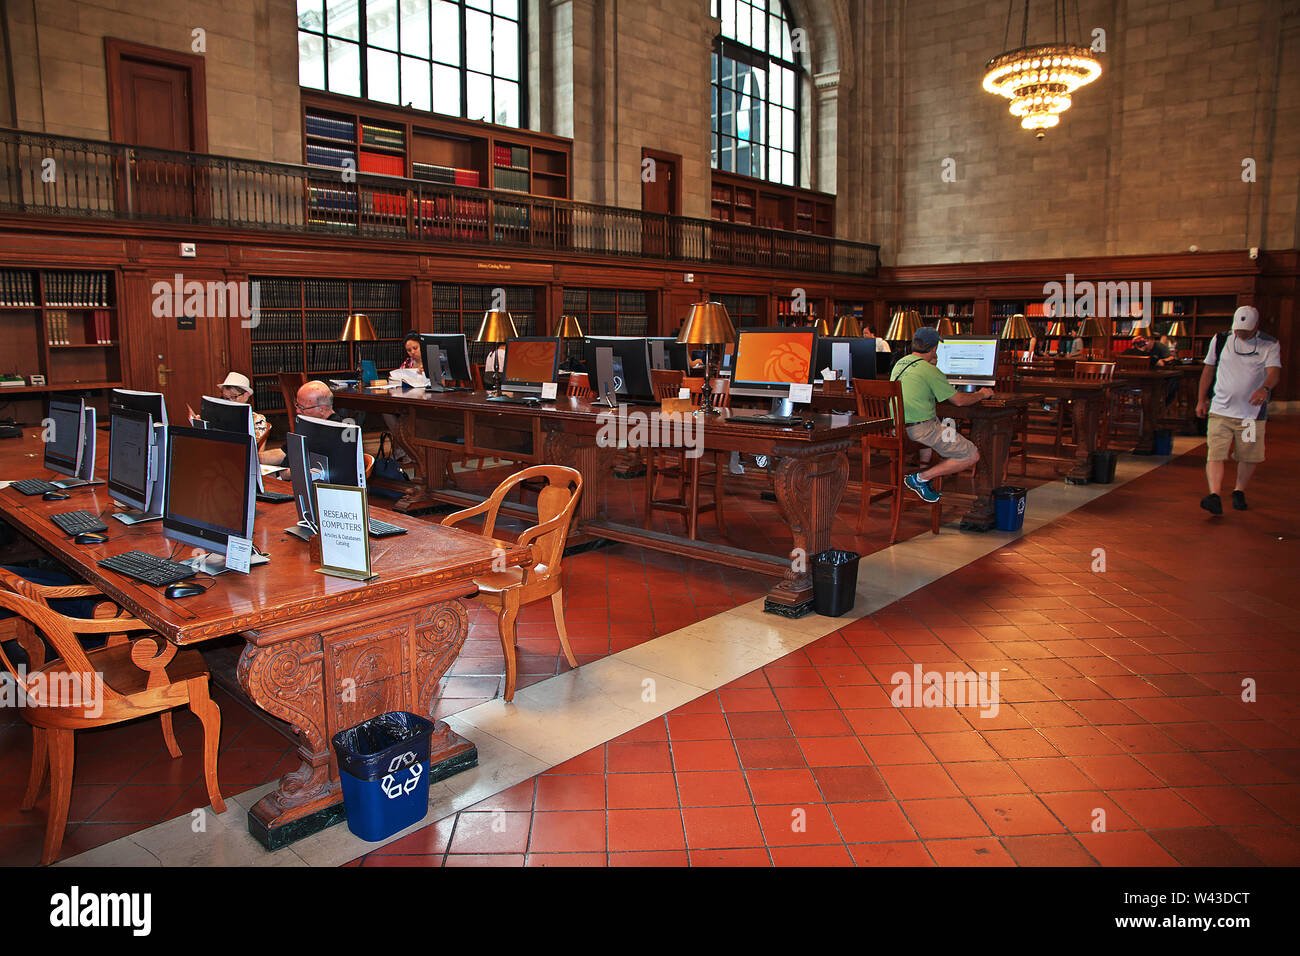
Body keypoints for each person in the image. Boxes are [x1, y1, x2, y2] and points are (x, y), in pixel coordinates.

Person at [891, 326, 993, 503]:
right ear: (934, 349)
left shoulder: (900, 363)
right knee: (971, 454)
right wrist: (982, 394)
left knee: (937, 423)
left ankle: (923, 475)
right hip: (920, 430)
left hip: (897, 428)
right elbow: (959, 401)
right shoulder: (929, 370)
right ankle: (921, 478)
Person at [1196, 306, 1281, 514]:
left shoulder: (1270, 344)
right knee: (1215, 452)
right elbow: (1208, 370)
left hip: (1250, 415)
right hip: (1220, 410)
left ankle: (1239, 490)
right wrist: (1201, 400)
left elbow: (1274, 372)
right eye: (1237, 330)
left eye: (1245, 331)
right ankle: (1214, 495)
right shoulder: (1220, 340)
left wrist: (1264, 388)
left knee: (1248, 454)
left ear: (1255, 326)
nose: (1240, 334)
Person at [260, 381, 347, 467]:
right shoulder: (310, 423)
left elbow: (307, 470)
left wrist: (276, 473)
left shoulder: (333, 434)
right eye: (297, 405)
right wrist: (256, 458)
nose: (297, 411)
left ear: (322, 410)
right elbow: (285, 452)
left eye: (302, 408)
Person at [216, 372, 271, 453]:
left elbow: (256, 452)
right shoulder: (218, 415)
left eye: (233, 397)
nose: (229, 402)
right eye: (225, 398)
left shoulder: (257, 420)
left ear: (246, 395)